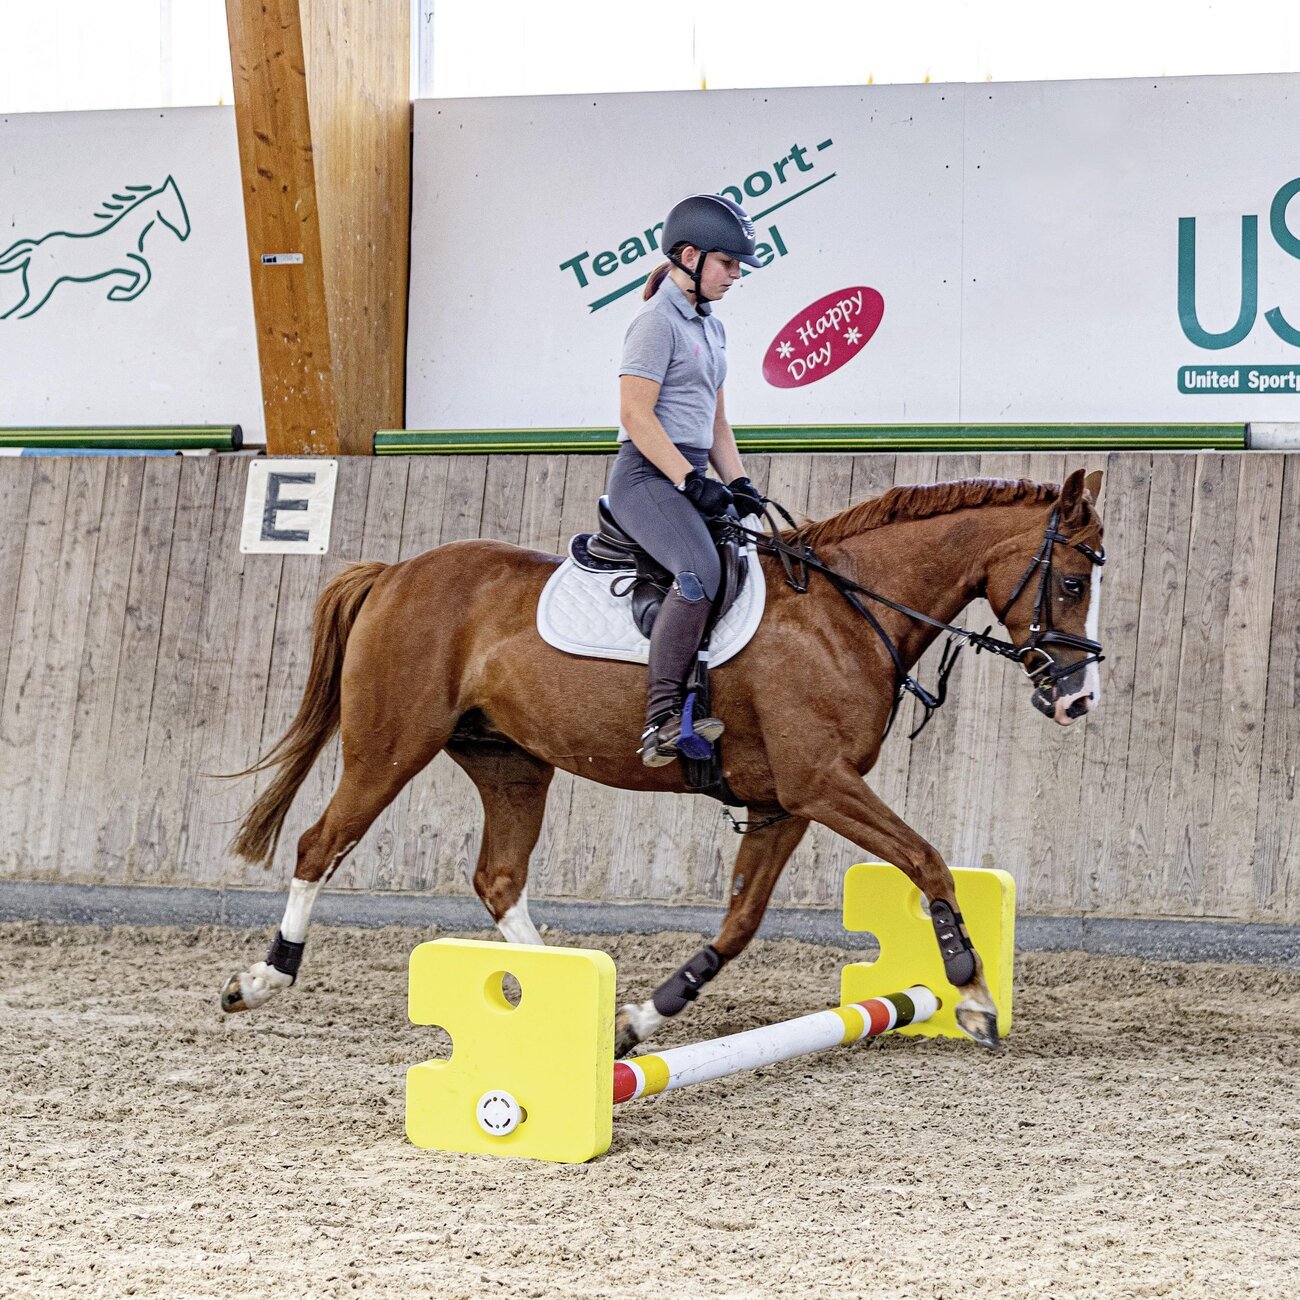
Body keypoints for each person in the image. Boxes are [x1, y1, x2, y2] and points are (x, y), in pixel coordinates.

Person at [609, 193, 768, 767]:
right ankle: (659, 718)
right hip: (647, 476)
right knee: (698, 571)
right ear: (692, 256)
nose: (735, 276)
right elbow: (635, 416)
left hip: (690, 470)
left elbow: (716, 421)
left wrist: (740, 482)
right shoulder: (654, 324)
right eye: (729, 264)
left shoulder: (712, 328)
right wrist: (685, 478)